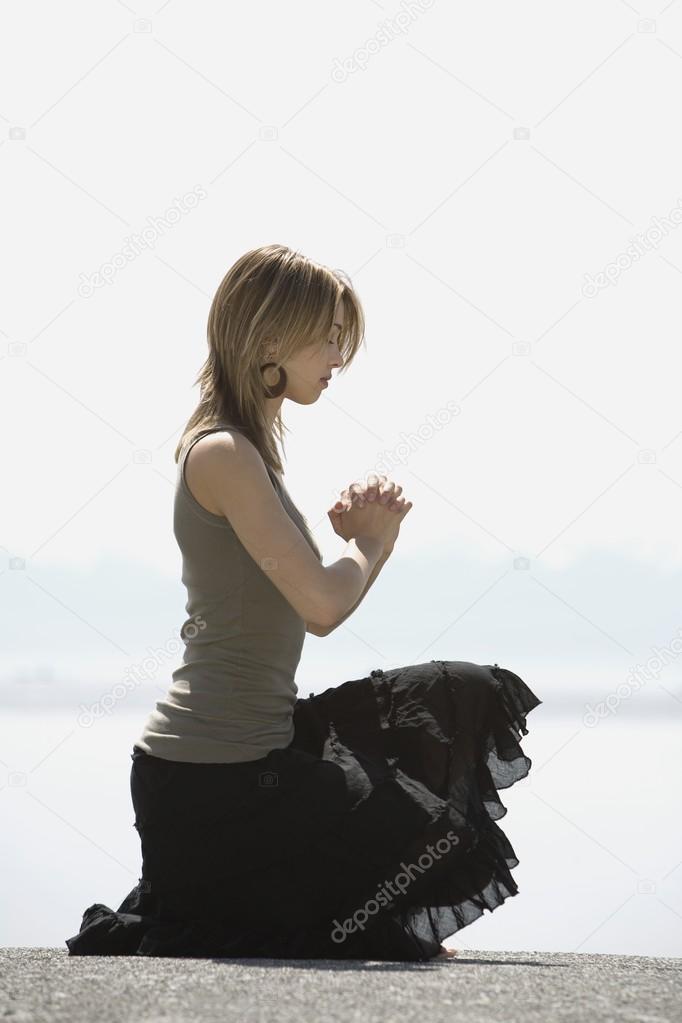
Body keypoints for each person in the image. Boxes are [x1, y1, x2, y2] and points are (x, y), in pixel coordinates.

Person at [64, 243, 542, 962]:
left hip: (267, 745)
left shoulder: (250, 450)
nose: (338, 355)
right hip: (209, 783)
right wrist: (371, 545)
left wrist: (361, 545)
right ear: (267, 340)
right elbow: (322, 604)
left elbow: (314, 600)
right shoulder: (223, 452)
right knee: (405, 851)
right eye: (327, 336)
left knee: (464, 694)